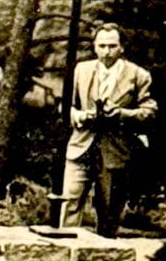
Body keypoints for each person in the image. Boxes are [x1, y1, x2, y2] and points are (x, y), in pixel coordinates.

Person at [59, 23, 156, 237]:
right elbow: (66, 106)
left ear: (121, 47)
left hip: (115, 151)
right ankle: (65, 258)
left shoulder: (138, 75)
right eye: (101, 45)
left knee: (109, 212)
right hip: (81, 146)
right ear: (94, 46)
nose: (106, 51)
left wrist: (122, 113)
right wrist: (78, 116)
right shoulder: (81, 70)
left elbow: (149, 111)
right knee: (70, 202)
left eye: (112, 46)